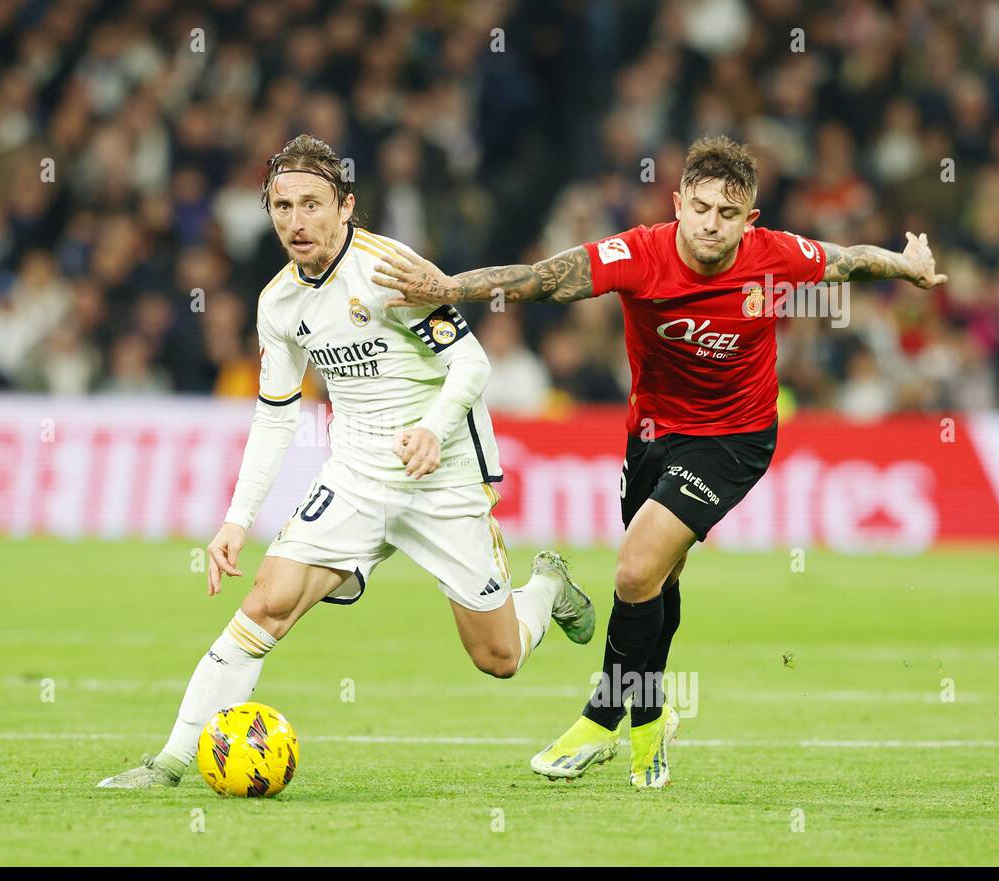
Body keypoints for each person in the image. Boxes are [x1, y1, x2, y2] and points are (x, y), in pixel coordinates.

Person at [371, 135, 947, 789]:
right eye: (699, 207)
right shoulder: (639, 255)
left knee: (634, 568)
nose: (711, 223)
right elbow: (539, 281)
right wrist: (449, 285)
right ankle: (652, 718)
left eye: (727, 214)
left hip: (734, 439)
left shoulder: (774, 257)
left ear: (749, 221)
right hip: (650, 434)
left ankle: (603, 719)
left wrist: (905, 264)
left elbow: (845, 263)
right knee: (656, 583)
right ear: (678, 204)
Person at [99, 134, 594, 790]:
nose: (295, 221)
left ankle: (547, 587)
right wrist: (236, 519)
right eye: (282, 206)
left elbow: (472, 363)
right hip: (356, 469)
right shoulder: (278, 304)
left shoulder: (390, 271)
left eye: (311, 204)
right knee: (269, 600)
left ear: (345, 205)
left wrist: (431, 430)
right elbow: (276, 413)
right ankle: (168, 763)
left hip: (439, 467)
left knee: (498, 657)